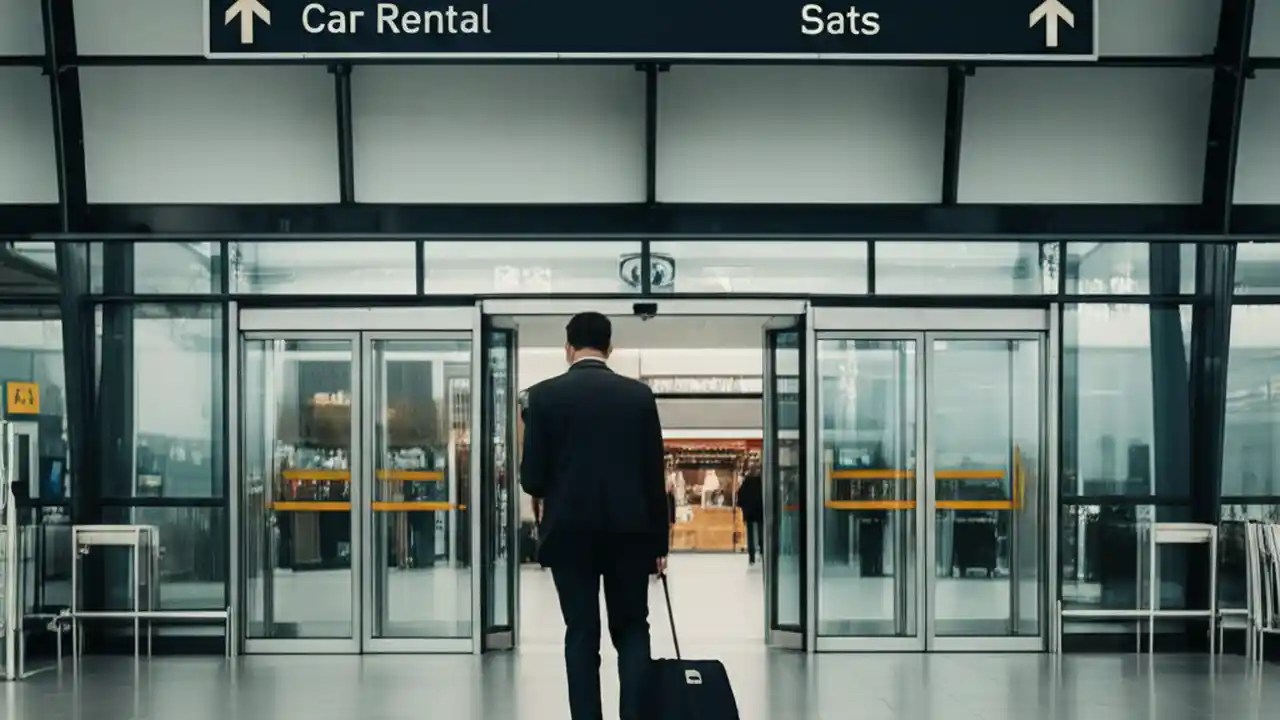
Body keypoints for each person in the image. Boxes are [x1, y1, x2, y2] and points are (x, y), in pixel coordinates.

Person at [520, 312, 669, 720]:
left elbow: (531, 480)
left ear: (567, 348)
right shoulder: (638, 397)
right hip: (630, 535)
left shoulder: (544, 397)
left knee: (582, 634)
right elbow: (655, 477)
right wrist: (660, 544)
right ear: (610, 348)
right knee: (633, 629)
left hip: (569, 536)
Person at [737, 467, 764, 565]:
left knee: (750, 534)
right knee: (761, 531)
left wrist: (743, 506)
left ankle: (751, 556)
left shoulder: (746, 483)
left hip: (749, 512)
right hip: (760, 511)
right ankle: (762, 551)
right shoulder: (761, 483)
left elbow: (740, 495)